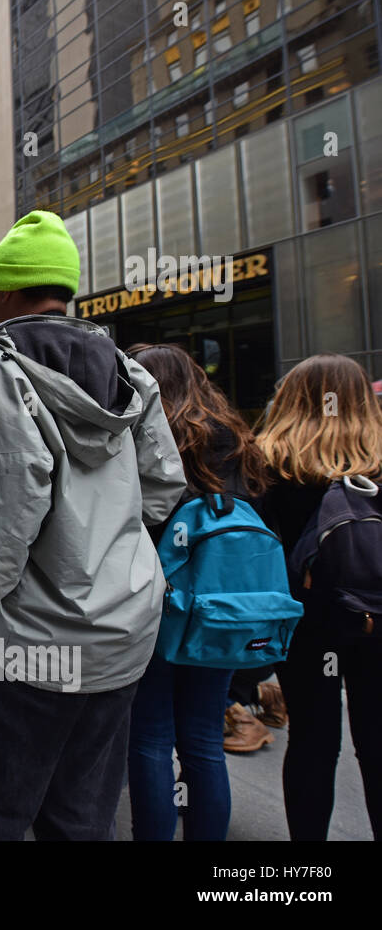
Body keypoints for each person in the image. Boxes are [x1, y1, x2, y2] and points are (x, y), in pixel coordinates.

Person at [0, 210, 186, 841]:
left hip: (22, 641)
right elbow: (162, 487)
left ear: (9, 292)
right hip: (121, 636)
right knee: (79, 819)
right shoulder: (130, 370)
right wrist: (105, 547)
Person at [123, 343, 268, 841]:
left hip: (152, 603)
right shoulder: (234, 439)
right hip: (219, 606)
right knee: (204, 739)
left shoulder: (136, 434)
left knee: (150, 737)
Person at [255, 354, 382, 840]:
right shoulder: (376, 457)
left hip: (308, 623)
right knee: (376, 740)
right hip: (374, 618)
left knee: (312, 739)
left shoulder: (271, 460)